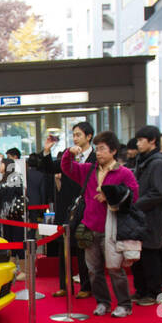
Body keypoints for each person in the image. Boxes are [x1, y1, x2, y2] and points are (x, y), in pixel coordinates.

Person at [60, 130, 139, 317]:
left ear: (113, 151)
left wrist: (110, 196)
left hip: (113, 229)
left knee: (115, 269)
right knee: (94, 270)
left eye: (102, 149)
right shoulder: (88, 170)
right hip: (90, 226)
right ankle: (103, 302)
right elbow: (67, 167)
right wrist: (69, 153)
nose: (98, 152)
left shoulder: (124, 173)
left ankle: (124, 304)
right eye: (97, 149)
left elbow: (133, 196)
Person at [54, 120, 95, 298]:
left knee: (83, 246)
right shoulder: (68, 155)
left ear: (89, 136)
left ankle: (86, 286)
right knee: (64, 246)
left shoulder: (95, 157)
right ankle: (64, 284)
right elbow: (56, 169)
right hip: (68, 205)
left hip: (87, 206)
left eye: (79, 135)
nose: (75, 138)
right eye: (74, 135)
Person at [130, 125, 162, 305]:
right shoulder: (143, 160)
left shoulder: (158, 162)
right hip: (139, 218)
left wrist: (136, 205)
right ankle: (141, 290)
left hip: (152, 217)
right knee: (138, 257)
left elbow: (159, 192)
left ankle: (153, 293)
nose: (138, 144)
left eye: (140, 140)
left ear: (152, 141)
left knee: (150, 257)